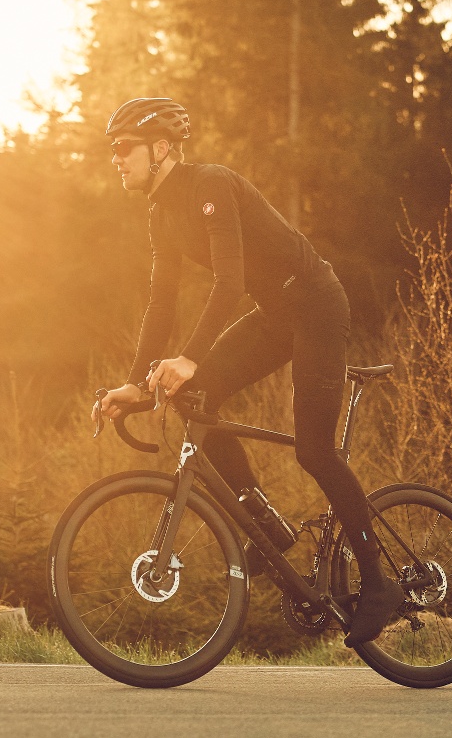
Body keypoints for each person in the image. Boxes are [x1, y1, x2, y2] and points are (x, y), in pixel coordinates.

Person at [93, 97, 402, 647]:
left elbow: (229, 283)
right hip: (278, 314)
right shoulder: (160, 213)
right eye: (113, 150)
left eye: (124, 148)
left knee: (314, 451)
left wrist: (188, 357)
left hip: (316, 304)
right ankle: (268, 524)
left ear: (161, 149)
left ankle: (379, 582)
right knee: (195, 398)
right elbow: (160, 306)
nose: (116, 159)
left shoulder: (210, 185)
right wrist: (137, 384)